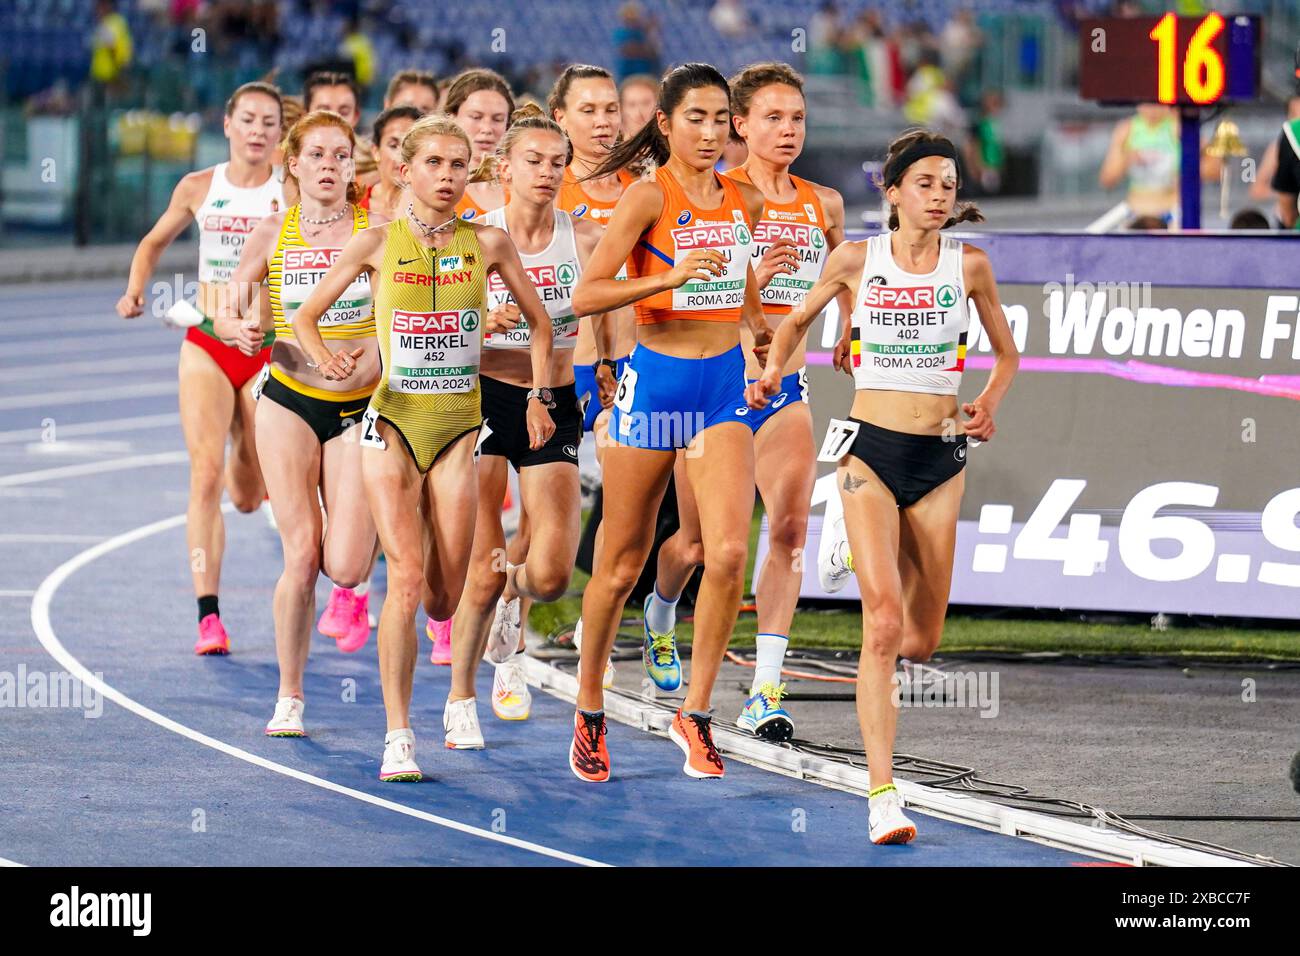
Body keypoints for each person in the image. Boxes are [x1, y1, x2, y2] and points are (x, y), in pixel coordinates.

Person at [747, 129, 1018, 844]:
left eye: (949, 185)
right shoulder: (855, 260)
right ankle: (882, 794)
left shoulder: (972, 267)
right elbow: (796, 319)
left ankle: (856, 544)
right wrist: (774, 370)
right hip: (870, 451)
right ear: (893, 191)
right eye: (925, 183)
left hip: (941, 458)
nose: (939, 196)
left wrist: (988, 400)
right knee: (884, 626)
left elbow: (1008, 352)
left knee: (922, 643)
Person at [287, 114, 555, 781]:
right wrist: (328, 362)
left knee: (443, 595)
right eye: (433, 164)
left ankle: (472, 633)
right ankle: (398, 735)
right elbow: (304, 315)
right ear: (404, 171)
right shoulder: (375, 243)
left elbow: (542, 323)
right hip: (392, 424)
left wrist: (538, 397)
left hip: (460, 427)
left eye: (459, 166)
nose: (446, 177)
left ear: (474, 174)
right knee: (404, 580)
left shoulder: (489, 243)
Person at [569, 63, 772, 783]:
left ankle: (696, 711)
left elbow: (742, 277)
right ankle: (591, 705)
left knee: (725, 554)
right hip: (655, 390)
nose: (712, 132)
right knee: (621, 564)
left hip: (720, 391)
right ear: (665, 125)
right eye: (697, 119)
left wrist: (758, 333)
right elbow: (588, 292)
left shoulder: (741, 200)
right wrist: (665, 280)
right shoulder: (649, 196)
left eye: (722, 119)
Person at [643, 63, 851, 741]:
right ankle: (662, 610)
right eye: (772, 118)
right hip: (717, 385)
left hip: (785, 387)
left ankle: (765, 688)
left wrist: (849, 329)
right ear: (741, 124)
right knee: (698, 543)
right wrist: (751, 285)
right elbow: (687, 294)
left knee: (788, 531)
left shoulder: (825, 202)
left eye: (796, 119)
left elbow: (847, 275)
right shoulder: (715, 197)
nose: (787, 130)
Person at [443, 105, 610, 746]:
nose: (545, 173)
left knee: (550, 575)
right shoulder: (473, 235)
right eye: (533, 162)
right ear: (503, 167)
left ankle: (515, 599)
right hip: (482, 397)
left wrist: (612, 363)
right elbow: (427, 314)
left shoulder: (586, 238)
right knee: (483, 564)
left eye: (557, 163)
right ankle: (461, 699)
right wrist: (479, 323)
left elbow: (614, 304)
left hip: (555, 399)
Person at [214, 110, 382, 736]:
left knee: (346, 564)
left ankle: (354, 586)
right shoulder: (272, 233)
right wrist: (237, 326)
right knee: (302, 553)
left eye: (341, 156)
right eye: (317, 155)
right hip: (287, 400)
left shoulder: (378, 232)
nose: (330, 167)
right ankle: (290, 694)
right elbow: (226, 307)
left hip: (359, 407)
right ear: (294, 164)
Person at [116, 81, 284, 656]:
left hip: (266, 344)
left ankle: (248, 443)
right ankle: (208, 615)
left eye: (270, 122)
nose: (259, 131)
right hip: (209, 338)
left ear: (280, 133)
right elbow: (152, 242)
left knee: (248, 492)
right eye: (250, 120)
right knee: (205, 476)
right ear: (228, 126)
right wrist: (136, 290)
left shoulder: (292, 191)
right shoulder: (198, 187)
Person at [549, 64, 634, 687]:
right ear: (561, 118)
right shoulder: (548, 191)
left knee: (629, 502)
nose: (604, 122)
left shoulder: (646, 187)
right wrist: (594, 359)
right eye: (589, 110)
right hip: (562, 365)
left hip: (635, 364)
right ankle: (511, 608)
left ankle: (594, 623)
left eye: (611, 109)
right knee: (548, 514)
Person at [444, 68, 515, 221]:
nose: (487, 129)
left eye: (497, 119)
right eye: (476, 117)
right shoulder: (429, 186)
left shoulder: (522, 186)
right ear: (452, 118)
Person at [361, 105, 422, 218]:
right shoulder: (352, 204)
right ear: (376, 151)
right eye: (393, 146)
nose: (401, 156)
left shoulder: (435, 211)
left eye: (410, 146)